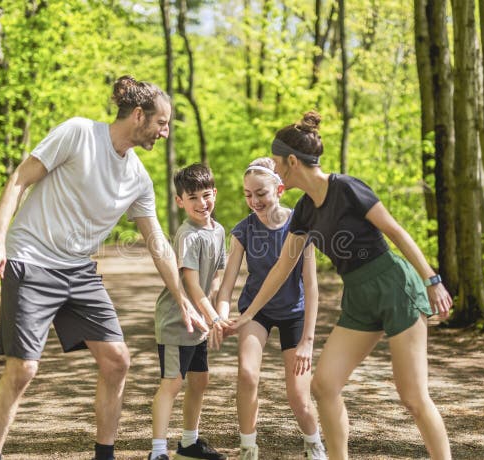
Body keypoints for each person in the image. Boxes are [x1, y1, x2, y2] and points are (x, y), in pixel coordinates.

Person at [0, 76, 207, 460]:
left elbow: (157, 243)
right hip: (31, 260)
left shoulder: (137, 177)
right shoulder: (78, 133)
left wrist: (182, 298)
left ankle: (105, 455)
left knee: (117, 360)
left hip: (77, 270)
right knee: (23, 370)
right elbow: (19, 178)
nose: (165, 133)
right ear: (138, 115)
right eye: (162, 123)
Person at [227, 111, 453, 459]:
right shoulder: (303, 209)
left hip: (394, 287)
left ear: (291, 162)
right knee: (324, 385)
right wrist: (248, 314)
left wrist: (432, 279)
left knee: (413, 397)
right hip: (358, 297)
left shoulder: (346, 187)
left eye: (275, 161)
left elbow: (395, 231)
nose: (273, 167)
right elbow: (281, 268)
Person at [214, 158, 326, 460]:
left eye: (260, 193)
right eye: (247, 194)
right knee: (248, 374)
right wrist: (221, 317)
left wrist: (307, 341)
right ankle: (248, 447)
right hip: (256, 311)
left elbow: (311, 286)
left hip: (295, 312)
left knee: (298, 396)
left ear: (279, 189)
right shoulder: (242, 230)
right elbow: (226, 286)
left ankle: (314, 443)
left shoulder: (300, 225)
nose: (254, 201)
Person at [149, 163, 228, 460]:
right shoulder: (188, 235)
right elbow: (192, 286)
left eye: (206, 195)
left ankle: (189, 444)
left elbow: (216, 277)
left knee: (200, 380)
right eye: (192, 197)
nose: (201, 203)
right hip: (176, 322)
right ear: (180, 201)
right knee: (172, 383)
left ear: (215, 194)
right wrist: (214, 318)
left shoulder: (218, 231)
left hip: (201, 322)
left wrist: (216, 311)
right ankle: (158, 452)